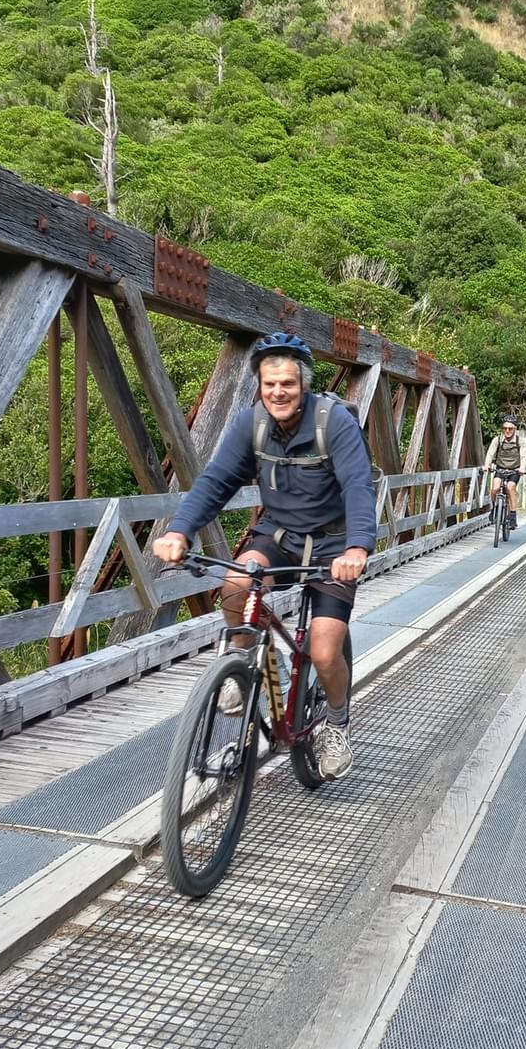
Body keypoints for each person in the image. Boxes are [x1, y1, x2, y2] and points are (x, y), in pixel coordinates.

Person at [153, 333, 375, 782]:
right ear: (260, 383)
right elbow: (215, 482)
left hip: (333, 545)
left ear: (303, 385)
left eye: (288, 384)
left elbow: (357, 486)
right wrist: (180, 530)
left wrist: (357, 548)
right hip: (279, 535)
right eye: (269, 383)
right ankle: (242, 661)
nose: (278, 392)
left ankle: (336, 724)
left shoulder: (334, 424)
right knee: (237, 584)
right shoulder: (250, 424)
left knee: (325, 650)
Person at [483, 415, 526, 531]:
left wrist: (522, 468)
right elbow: (490, 454)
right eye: (505, 428)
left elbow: (523, 456)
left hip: (514, 470)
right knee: (495, 488)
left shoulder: (520, 441)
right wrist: (487, 465)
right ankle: (494, 509)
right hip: (500, 468)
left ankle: (512, 516)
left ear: (515, 429)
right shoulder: (497, 440)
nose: (507, 431)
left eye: (510, 429)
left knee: (510, 487)